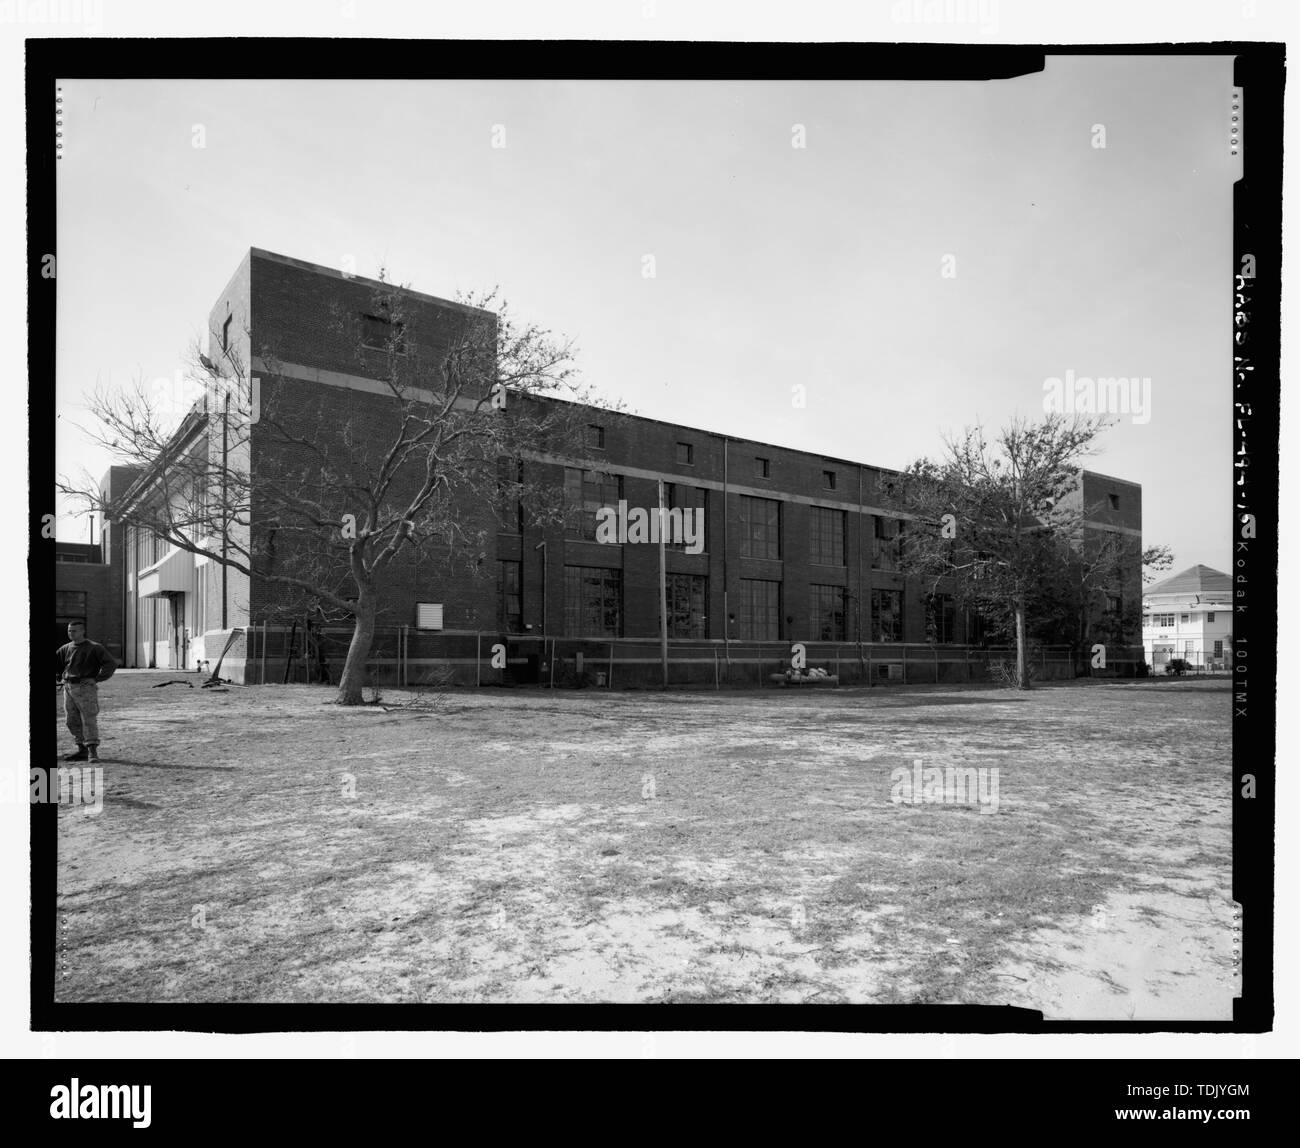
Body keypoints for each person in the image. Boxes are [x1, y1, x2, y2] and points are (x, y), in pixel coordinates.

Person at [55, 621, 117, 762]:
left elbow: (111, 664)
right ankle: (81, 750)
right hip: (69, 687)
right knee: (72, 720)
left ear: (83, 631)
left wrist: (97, 678)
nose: (71, 633)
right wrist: (60, 676)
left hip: (85, 688)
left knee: (88, 719)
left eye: (74, 631)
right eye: (69, 631)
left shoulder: (94, 648)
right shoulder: (65, 648)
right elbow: (58, 663)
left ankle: (92, 752)